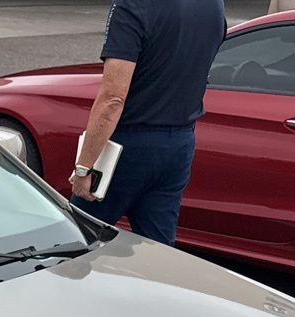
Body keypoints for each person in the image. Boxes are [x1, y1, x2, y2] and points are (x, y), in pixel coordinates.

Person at [70, 0, 228, 245]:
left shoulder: (133, 5)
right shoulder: (213, 5)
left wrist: (84, 167)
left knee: (78, 237)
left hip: (130, 143)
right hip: (180, 142)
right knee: (158, 248)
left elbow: (113, 98)